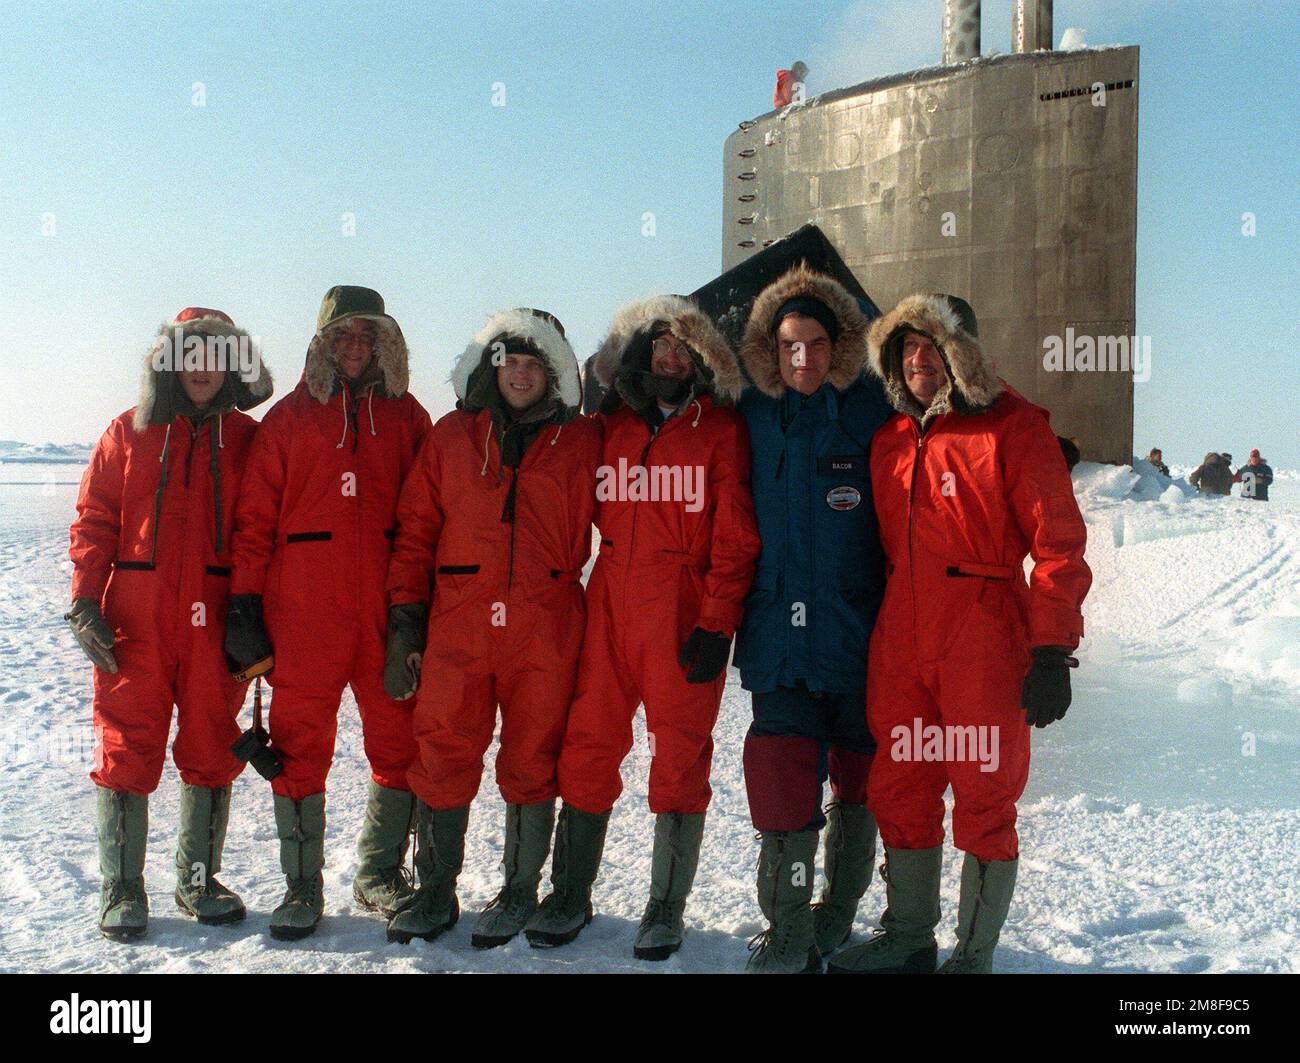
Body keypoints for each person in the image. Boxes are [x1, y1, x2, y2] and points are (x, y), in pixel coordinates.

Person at [828, 294, 1091, 974]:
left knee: (984, 791)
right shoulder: (888, 438)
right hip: (902, 636)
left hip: (983, 633)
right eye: (908, 347)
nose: (919, 358)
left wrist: (1052, 648)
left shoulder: (1012, 424)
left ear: (962, 353)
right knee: (901, 783)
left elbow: (1058, 543)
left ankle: (973, 954)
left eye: (934, 345)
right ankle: (911, 936)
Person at [528, 295, 761, 961]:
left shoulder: (719, 431)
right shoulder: (615, 429)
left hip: (681, 608)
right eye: (661, 343)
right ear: (642, 352)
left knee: (680, 755)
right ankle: (570, 892)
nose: (671, 354)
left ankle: (665, 906)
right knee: (587, 745)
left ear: (702, 358)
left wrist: (716, 622)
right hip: (608, 599)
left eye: (685, 345)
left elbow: (736, 538)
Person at [382, 308, 601, 947]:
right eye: (510, 362)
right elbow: (416, 534)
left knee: (532, 758)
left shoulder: (584, 441)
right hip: (459, 624)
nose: (522, 374)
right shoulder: (451, 437)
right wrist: (406, 623)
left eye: (537, 363)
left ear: (555, 372)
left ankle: (517, 892)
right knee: (444, 749)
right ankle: (434, 890)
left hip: (547, 623)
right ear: (491, 367)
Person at [225, 286, 431, 940]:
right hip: (303, 620)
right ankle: (300, 885)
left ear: (382, 344)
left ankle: (377, 873)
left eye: (365, 337)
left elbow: (430, 517)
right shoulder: (287, 420)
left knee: (398, 742)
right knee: (298, 746)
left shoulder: (407, 418)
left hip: (384, 616)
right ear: (322, 343)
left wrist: (417, 615)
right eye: (341, 336)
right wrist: (245, 607)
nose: (353, 347)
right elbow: (254, 522)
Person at [69, 307, 273, 940]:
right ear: (171, 362)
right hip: (138, 613)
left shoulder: (247, 440)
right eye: (192, 355)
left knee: (212, 743)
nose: (203, 370)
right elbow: (95, 521)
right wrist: (85, 601)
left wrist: (247, 607)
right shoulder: (127, 433)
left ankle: (197, 878)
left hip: (217, 615)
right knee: (128, 746)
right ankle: (122, 888)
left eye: (217, 358)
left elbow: (258, 527)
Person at [729, 264, 894, 973]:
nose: (804, 358)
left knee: (858, 785)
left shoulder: (872, 410)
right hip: (779, 640)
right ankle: (790, 926)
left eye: (818, 343)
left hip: (860, 639)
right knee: (782, 784)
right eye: (790, 344)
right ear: (772, 348)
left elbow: (947, 404)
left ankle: (839, 912)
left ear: (840, 345)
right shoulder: (751, 415)